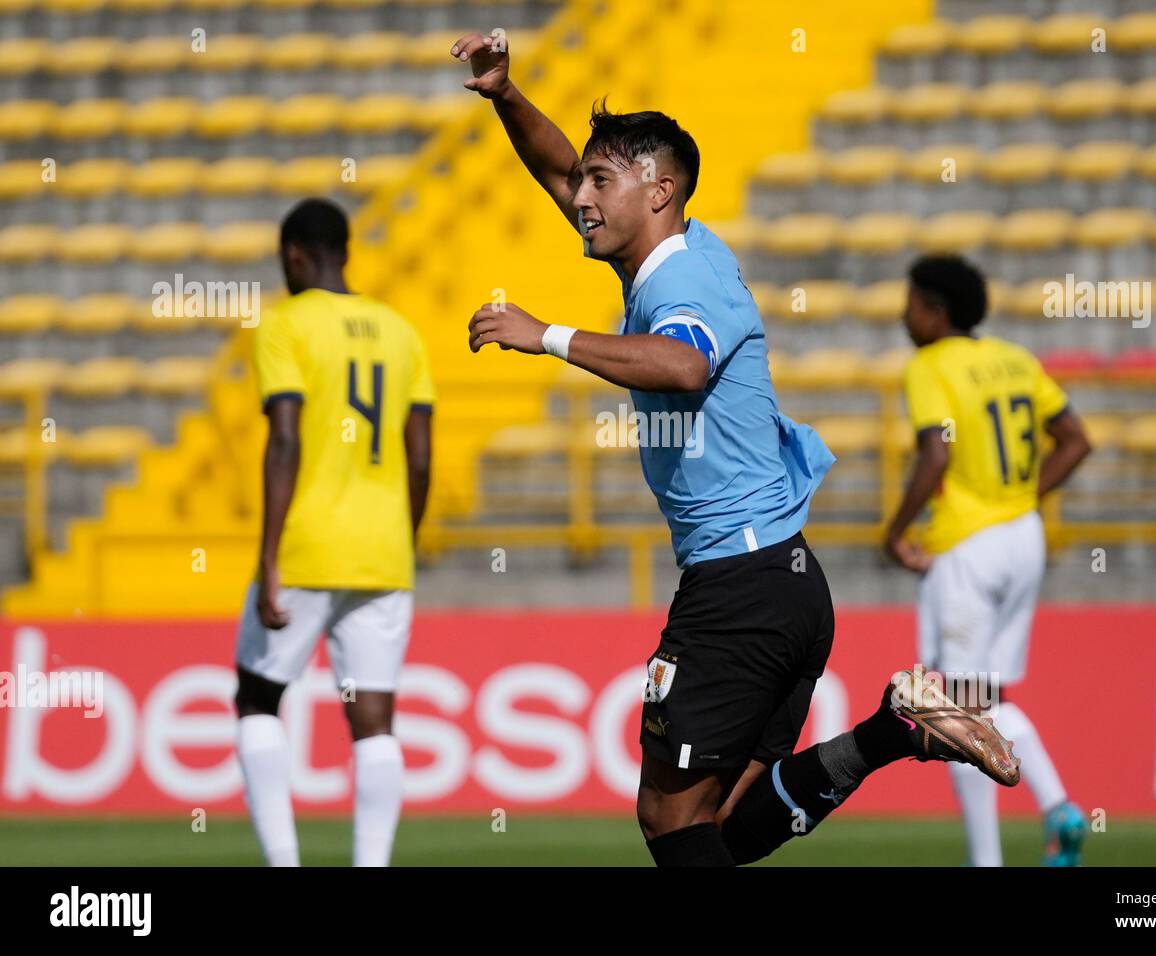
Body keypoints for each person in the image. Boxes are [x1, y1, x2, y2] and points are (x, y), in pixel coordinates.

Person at [451, 34, 1020, 867]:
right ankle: (893, 730)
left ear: (660, 187)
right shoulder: (676, 250)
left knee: (671, 822)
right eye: (585, 183)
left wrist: (548, 336)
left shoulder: (679, 284)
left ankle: (893, 730)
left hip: (737, 590)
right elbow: (557, 169)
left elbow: (683, 366)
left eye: (601, 183)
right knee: (729, 825)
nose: (581, 199)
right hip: (784, 583)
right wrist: (506, 96)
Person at [232, 198, 435, 867]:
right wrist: (401, 539)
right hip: (383, 555)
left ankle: (285, 863)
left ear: (294, 255)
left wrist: (268, 560)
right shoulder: (401, 331)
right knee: (373, 720)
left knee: (259, 699)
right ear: (345, 252)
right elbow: (422, 455)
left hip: (309, 545)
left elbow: (284, 440)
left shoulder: (285, 325)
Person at [884, 254, 1092, 866]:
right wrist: (1020, 499)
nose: (905, 315)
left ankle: (1028, 829)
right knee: (981, 699)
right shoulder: (1015, 359)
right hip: (1023, 537)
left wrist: (895, 531)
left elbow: (937, 456)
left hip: (969, 551)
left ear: (935, 312)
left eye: (913, 303)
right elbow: (1076, 439)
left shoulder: (930, 365)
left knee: (962, 713)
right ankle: (1050, 816)